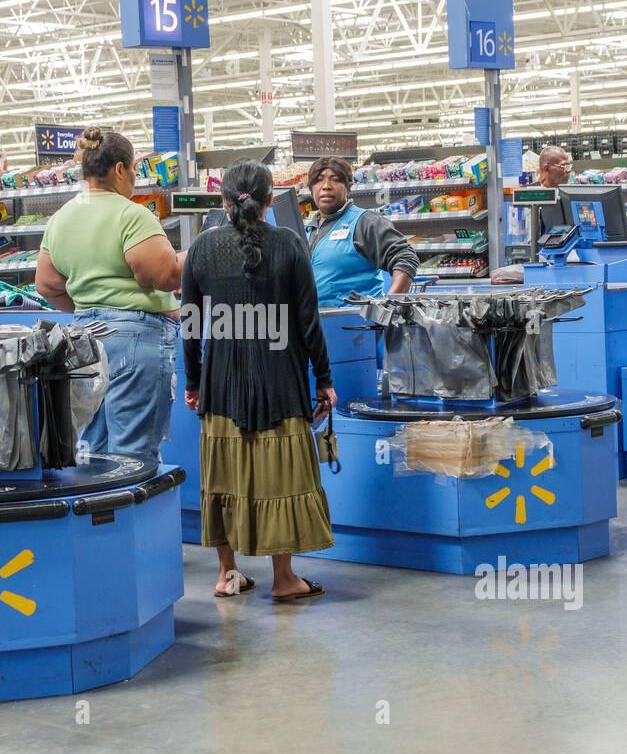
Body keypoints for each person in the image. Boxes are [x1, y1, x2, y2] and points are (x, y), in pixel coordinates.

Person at [181, 159, 336, 602]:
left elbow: (192, 328)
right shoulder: (289, 244)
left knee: (224, 480)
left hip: (222, 384)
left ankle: (228, 574)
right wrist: (324, 380)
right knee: (280, 480)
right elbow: (309, 322)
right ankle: (285, 580)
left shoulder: (201, 250)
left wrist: (194, 383)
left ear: (224, 202)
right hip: (280, 382)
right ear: (272, 200)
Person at [36, 128, 183, 461]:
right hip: (135, 340)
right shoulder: (131, 214)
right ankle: (136, 513)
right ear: (119, 169)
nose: (133, 176)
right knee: (134, 452)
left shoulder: (60, 219)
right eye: (133, 169)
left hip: (84, 338)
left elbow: (46, 284)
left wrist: (93, 307)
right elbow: (162, 275)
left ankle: (100, 514)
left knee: (95, 451)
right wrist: (199, 252)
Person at [304, 156, 419, 307]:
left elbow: (405, 257)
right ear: (311, 189)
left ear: (349, 189)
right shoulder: (307, 229)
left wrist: (390, 305)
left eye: (336, 179)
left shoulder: (365, 222)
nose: (326, 186)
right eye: (319, 180)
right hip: (315, 323)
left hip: (354, 323)